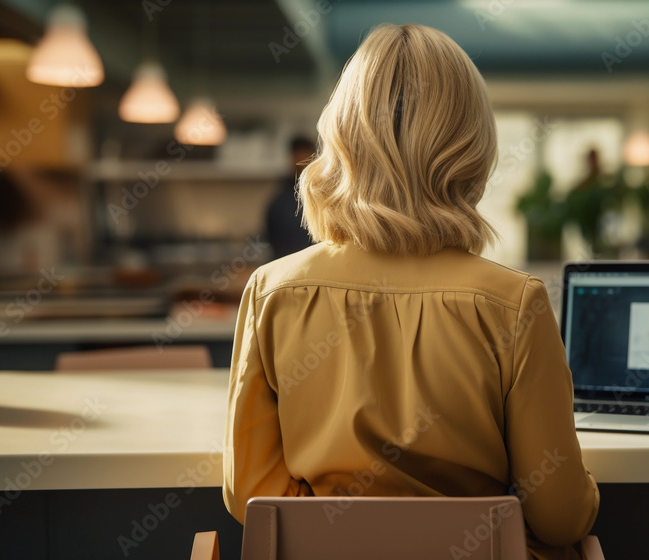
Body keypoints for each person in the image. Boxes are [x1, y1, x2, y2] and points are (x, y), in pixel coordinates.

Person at [223, 23, 599, 560]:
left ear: (343, 138)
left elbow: (251, 498)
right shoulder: (514, 304)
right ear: (471, 148)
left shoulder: (272, 292)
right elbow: (560, 519)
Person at [264, 136, 315, 258]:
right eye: (299, 158)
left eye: (307, 159)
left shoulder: (323, 198)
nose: (303, 163)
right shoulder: (280, 203)